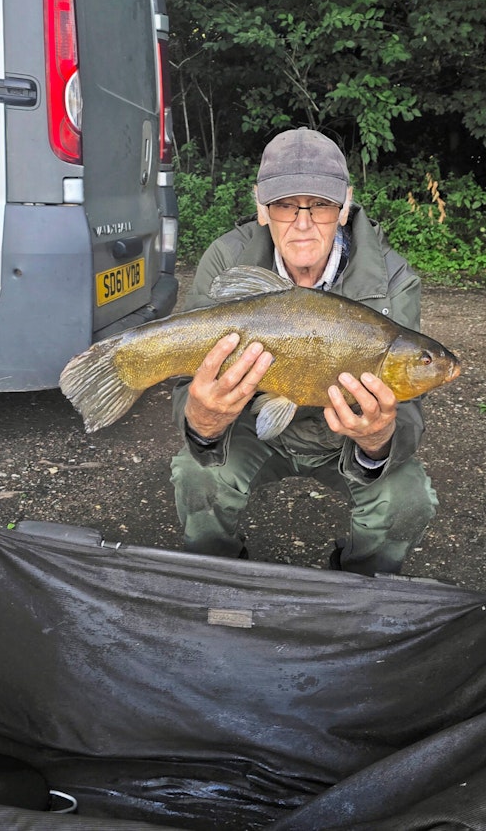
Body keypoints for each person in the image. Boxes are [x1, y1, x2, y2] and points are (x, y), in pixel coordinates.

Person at [170, 128, 438, 576]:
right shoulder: (225, 260)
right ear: (261, 207)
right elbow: (187, 387)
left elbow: (408, 412)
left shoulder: (394, 281)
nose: (302, 222)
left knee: (407, 502)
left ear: (345, 204)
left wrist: (377, 441)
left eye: (320, 205)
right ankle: (219, 577)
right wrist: (202, 421)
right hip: (251, 425)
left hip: (343, 438)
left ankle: (353, 588)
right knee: (198, 479)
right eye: (284, 205)